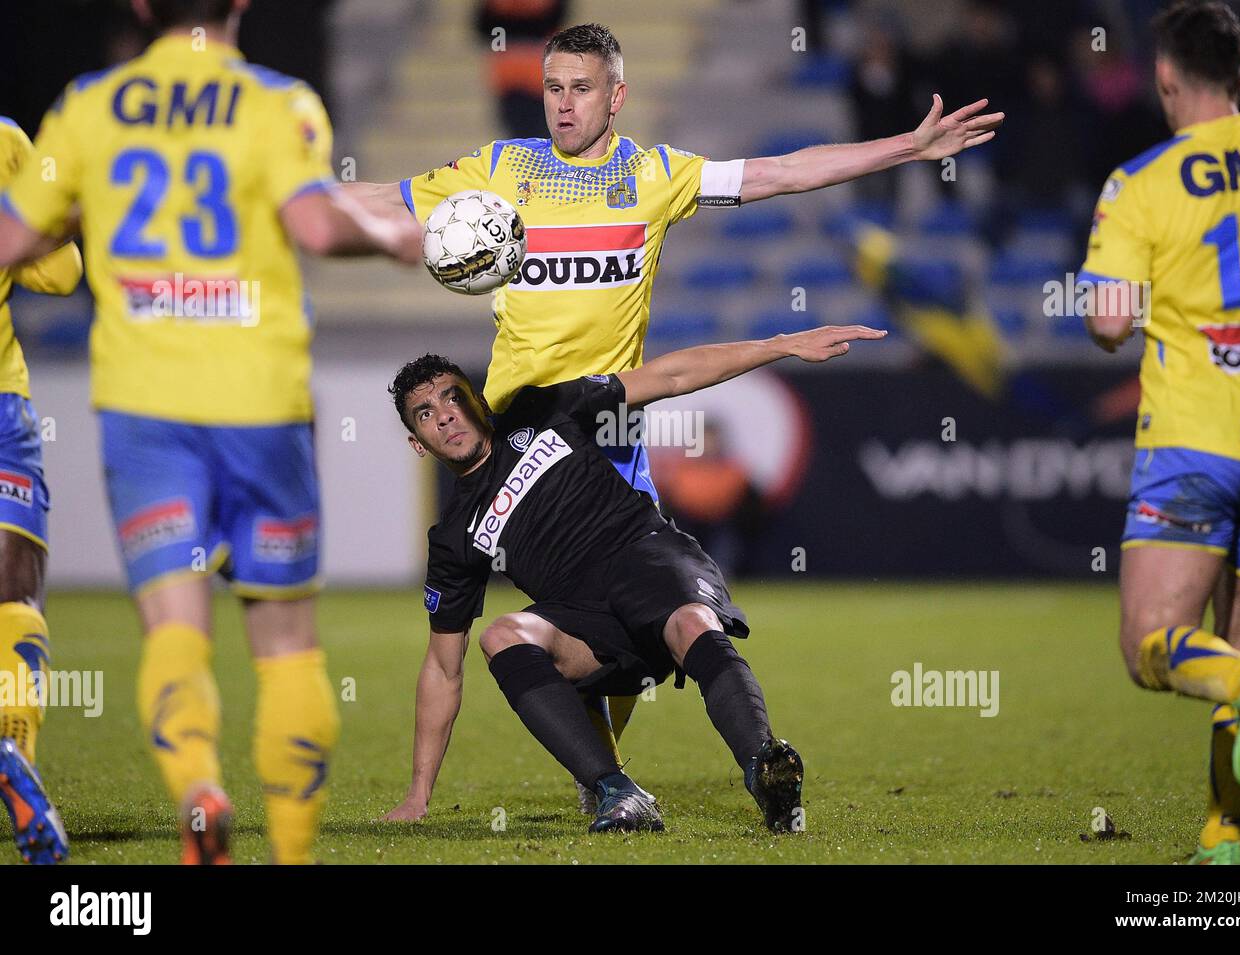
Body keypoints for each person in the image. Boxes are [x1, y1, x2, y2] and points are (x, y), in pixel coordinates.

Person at [350, 22, 1002, 814]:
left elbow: (778, 173)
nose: (562, 104)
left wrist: (903, 147)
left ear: (617, 96)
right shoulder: (500, 170)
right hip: (523, 430)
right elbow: (384, 198)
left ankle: (619, 778)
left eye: (581, 88)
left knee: (632, 624)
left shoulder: (656, 176)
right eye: (552, 87)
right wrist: (275, 198)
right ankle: (612, 784)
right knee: (571, 624)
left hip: (611, 427)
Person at [0, 0, 422, 864]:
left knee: (174, 627)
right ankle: (292, 854)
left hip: (144, 409)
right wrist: (391, 233)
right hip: (261, 403)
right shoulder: (278, 100)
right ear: (239, 4)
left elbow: (14, 240)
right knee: (287, 644)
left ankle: (199, 785)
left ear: (143, 7)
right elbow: (312, 224)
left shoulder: (89, 105)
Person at [385, 323, 886, 833]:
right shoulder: (453, 537)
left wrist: (779, 346)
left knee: (690, 622)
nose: (446, 415)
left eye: (454, 398)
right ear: (417, 443)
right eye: (426, 413)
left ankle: (765, 768)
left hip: (648, 561)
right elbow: (443, 669)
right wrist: (418, 794)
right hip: (586, 620)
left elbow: (668, 377)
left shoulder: (542, 412)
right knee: (501, 635)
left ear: (479, 401)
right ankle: (617, 792)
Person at [1081, 0, 1240, 865]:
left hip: (1193, 442)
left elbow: (1106, 322)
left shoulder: (1143, 183)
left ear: (1165, 79)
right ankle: (1223, 840)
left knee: (1152, 647)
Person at [0, 117, 83, 865]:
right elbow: (57, 275)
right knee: (15, 595)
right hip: (2, 404)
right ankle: (11, 747)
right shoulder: (5, 140)